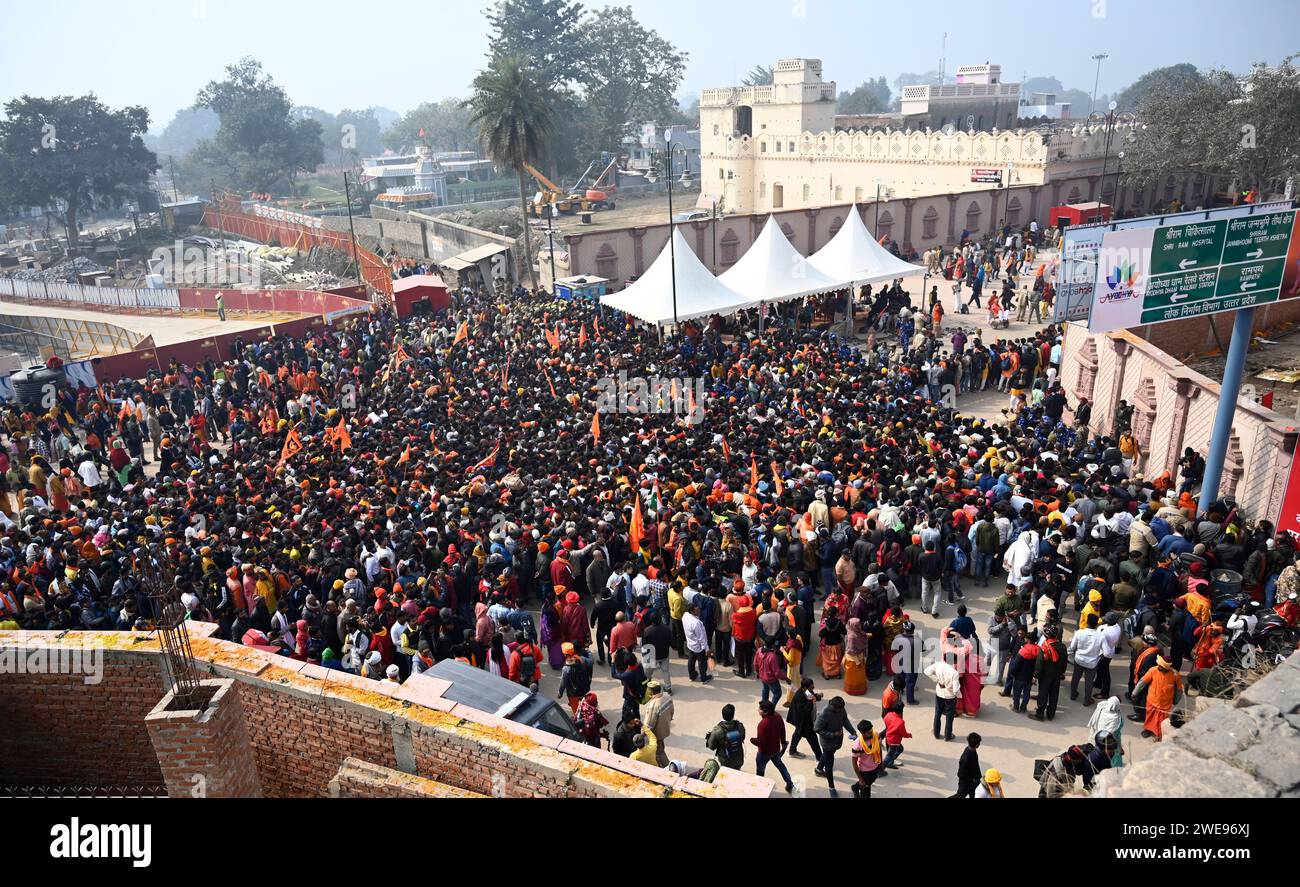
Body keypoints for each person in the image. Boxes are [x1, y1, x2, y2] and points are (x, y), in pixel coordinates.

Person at [1132, 655, 1184, 740]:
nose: (1158, 667)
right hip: (1152, 700)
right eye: (1159, 665)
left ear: (1167, 668)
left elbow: (1179, 689)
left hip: (1165, 704)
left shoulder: (1175, 674)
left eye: (1161, 666)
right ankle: (1148, 729)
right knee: (1150, 717)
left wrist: (1176, 700)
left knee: (1163, 721)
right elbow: (1143, 682)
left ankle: (1160, 734)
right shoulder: (1153, 670)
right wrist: (1135, 693)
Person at [813, 695, 856, 797]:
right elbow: (816, 728)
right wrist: (832, 734)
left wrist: (852, 731)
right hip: (827, 744)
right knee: (829, 765)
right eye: (840, 709)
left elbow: (845, 720)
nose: (842, 711)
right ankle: (831, 787)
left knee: (828, 755)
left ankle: (818, 769)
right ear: (834, 707)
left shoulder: (841, 709)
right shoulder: (824, 714)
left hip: (836, 742)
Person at [751, 700, 795, 794]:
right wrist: (783, 742)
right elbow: (783, 730)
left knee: (760, 771)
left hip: (764, 753)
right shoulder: (777, 716)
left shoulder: (763, 724)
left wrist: (752, 740)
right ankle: (790, 784)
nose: (758, 709)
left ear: (765, 711)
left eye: (760, 709)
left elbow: (761, 742)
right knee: (781, 767)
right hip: (776, 750)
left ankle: (760, 788)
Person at [925, 651, 961, 741]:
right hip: (950, 696)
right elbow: (956, 689)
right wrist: (959, 696)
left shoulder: (938, 664)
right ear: (955, 661)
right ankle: (947, 736)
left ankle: (936, 733)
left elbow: (927, 671)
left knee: (937, 713)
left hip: (939, 693)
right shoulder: (954, 673)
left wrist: (937, 680)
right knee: (949, 717)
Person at [786, 677, 823, 760]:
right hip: (803, 721)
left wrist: (817, 697)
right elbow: (805, 712)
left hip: (802, 721)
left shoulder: (806, 691)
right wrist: (811, 700)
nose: (813, 689)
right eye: (812, 687)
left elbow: (811, 696)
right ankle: (820, 759)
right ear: (805, 687)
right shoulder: (800, 697)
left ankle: (792, 751)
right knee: (813, 739)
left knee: (798, 733)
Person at [642, 680, 674, 768]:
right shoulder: (667, 696)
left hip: (657, 733)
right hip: (665, 728)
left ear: (651, 691)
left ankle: (669, 768)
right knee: (661, 746)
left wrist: (642, 734)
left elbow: (649, 725)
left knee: (659, 752)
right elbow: (672, 711)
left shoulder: (653, 705)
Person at [705, 703, 746, 771]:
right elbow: (742, 738)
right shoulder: (740, 726)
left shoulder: (717, 730)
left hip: (726, 760)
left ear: (722, 715)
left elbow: (711, 746)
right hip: (739, 758)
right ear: (733, 715)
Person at [849, 720, 884, 798]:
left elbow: (879, 749)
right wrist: (860, 779)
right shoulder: (857, 745)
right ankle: (859, 788)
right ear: (862, 733)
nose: (872, 733)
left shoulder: (876, 736)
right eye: (869, 732)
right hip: (865, 771)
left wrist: (881, 763)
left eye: (871, 730)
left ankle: (855, 787)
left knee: (869, 782)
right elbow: (854, 763)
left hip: (876, 767)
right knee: (866, 792)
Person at [683, 601, 712, 683]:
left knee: (691, 660)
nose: (699, 611)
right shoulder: (696, 623)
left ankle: (692, 676)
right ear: (692, 611)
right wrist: (707, 649)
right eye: (697, 610)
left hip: (690, 644)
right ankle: (704, 678)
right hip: (698, 647)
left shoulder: (685, 616)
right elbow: (701, 638)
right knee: (702, 662)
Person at [951, 732, 982, 798]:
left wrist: (979, 778)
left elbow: (976, 765)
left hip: (973, 780)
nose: (979, 744)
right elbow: (960, 774)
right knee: (959, 796)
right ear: (976, 745)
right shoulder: (966, 758)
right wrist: (971, 780)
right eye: (979, 743)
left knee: (974, 794)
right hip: (966, 783)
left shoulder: (972, 750)